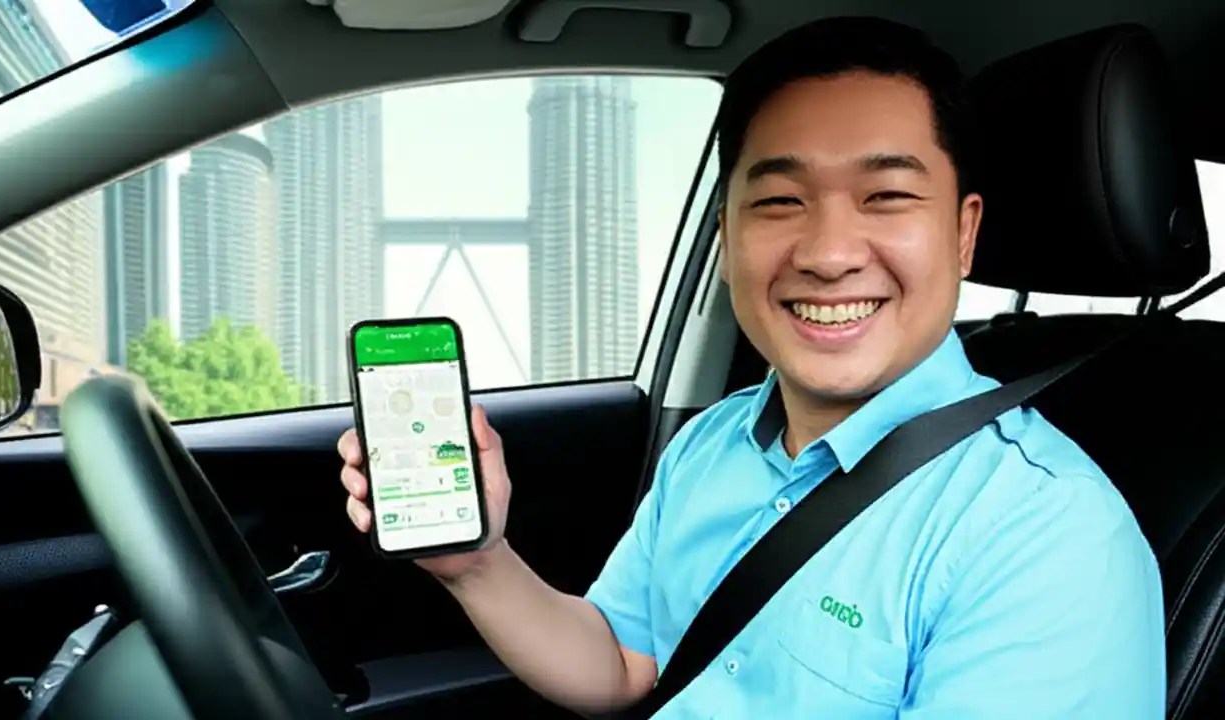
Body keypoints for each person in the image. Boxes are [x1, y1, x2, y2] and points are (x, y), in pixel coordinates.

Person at [338, 16, 1164, 718]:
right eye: (779, 201)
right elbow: (624, 665)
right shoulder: (711, 444)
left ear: (962, 232)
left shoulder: (1046, 535)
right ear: (727, 241)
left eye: (885, 196)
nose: (830, 254)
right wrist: (477, 563)